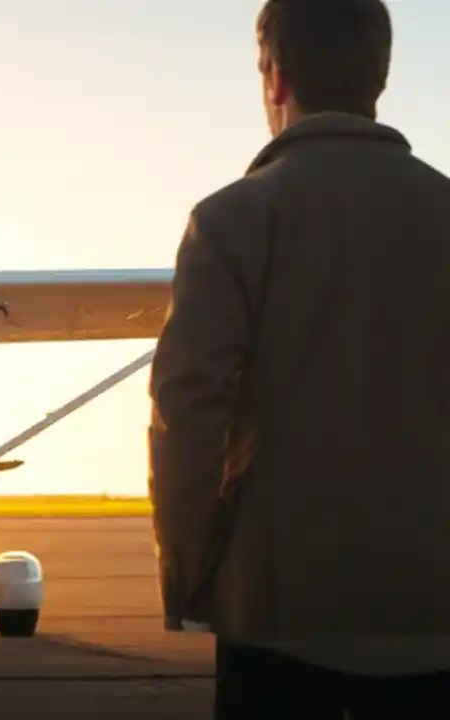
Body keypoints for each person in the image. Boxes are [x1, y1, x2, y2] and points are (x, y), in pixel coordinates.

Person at [147, 0, 450, 717]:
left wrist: (190, 579)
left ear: (275, 76)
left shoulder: (229, 221)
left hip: (277, 617)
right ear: (379, 77)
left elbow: (188, 414)